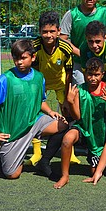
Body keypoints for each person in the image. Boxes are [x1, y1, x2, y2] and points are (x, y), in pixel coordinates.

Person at [0, 39, 68, 179]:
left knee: (63, 124)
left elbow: (40, 101)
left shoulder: (39, 77)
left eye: (23, 58)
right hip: (13, 132)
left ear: (33, 57)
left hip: (34, 122)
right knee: (13, 174)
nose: (19, 62)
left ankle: (44, 161)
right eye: (16, 58)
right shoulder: (5, 79)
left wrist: (50, 112)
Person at [53, 57, 106, 189]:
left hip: (101, 132)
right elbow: (77, 116)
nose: (93, 78)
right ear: (84, 73)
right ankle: (64, 175)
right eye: (90, 74)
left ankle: (104, 160)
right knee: (67, 140)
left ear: (102, 74)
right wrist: (70, 102)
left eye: (97, 75)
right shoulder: (79, 90)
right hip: (83, 127)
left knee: (94, 171)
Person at [29, 10, 77, 167]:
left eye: (52, 31)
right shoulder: (34, 47)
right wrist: (36, 93)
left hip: (60, 83)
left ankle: (71, 152)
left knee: (68, 113)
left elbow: (69, 72)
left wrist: (67, 93)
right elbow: (33, 73)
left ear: (58, 31)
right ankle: (36, 151)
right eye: (45, 32)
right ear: (40, 31)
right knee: (35, 113)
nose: (48, 35)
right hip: (40, 83)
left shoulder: (65, 48)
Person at [60, 0, 106, 84]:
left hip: (102, 62)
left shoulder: (104, 12)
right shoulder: (72, 14)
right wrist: (80, 52)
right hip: (79, 63)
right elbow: (62, 39)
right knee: (82, 93)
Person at [78, 20, 106, 85]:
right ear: (86, 38)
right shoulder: (83, 48)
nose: (94, 45)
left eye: (98, 41)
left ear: (105, 38)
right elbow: (86, 72)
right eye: (90, 41)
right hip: (96, 76)